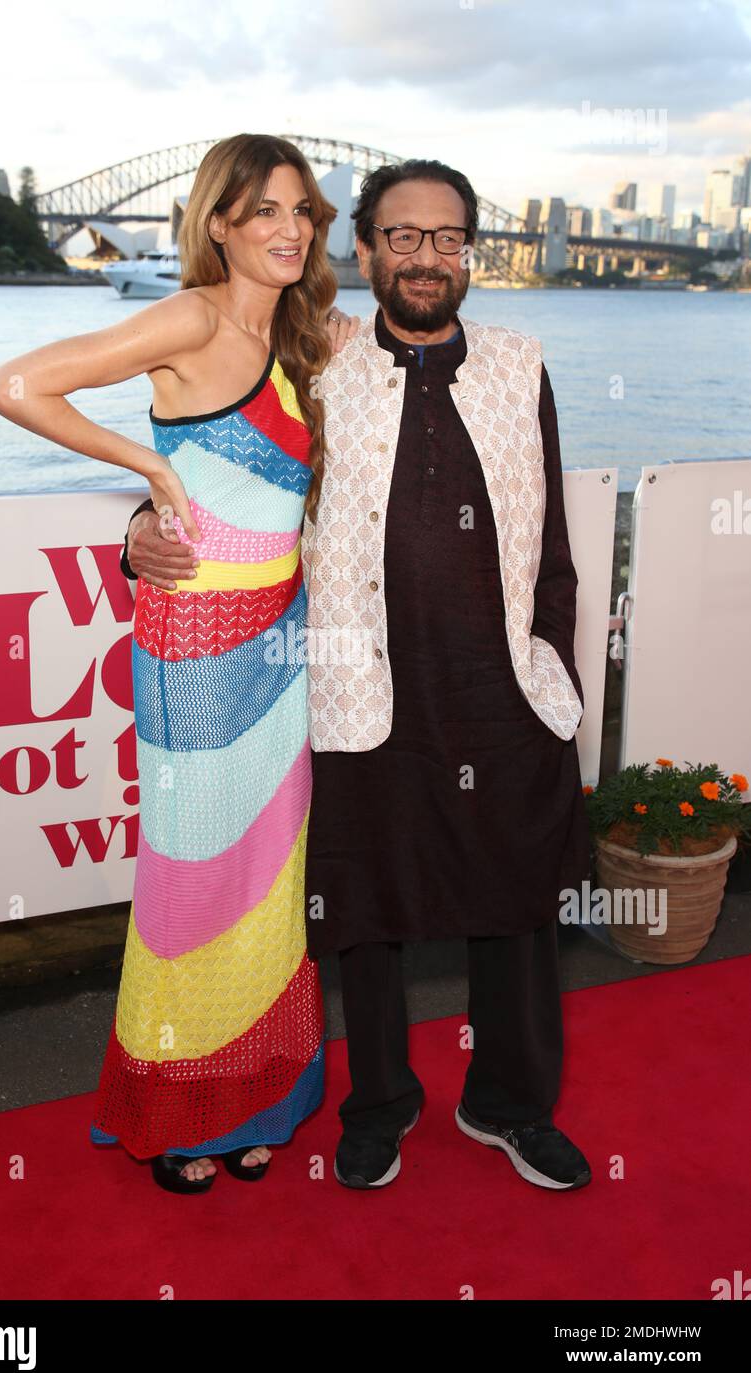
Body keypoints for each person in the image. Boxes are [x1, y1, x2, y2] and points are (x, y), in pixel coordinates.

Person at [121, 158, 593, 1195]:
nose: (425, 257)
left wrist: (553, 671)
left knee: (514, 906)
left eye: (446, 237)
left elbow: (552, 538)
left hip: (500, 689)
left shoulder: (519, 362)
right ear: (367, 249)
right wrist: (138, 529)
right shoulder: (312, 354)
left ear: (469, 250)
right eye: (401, 236)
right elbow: (220, 470)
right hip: (354, 688)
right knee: (365, 913)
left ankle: (507, 1102)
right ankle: (376, 1106)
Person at [0, 133, 357, 1195]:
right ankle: (175, 1108)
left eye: (305, 214)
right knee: (191, 882)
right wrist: (146, 468)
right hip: (193, 641)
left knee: (269, 880)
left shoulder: (305, 333)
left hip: (282, 639)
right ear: (219, 223)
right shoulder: (187, 318)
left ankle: (254, 1098)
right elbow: (14, 385)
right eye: (266, 211)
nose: (289, 230)